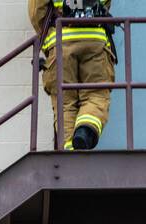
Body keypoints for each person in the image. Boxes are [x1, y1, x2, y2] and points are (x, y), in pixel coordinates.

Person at [28, 1, 116, 151]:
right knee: (96, 94)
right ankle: (84, 131)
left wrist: (48, 42)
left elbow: (37, 11)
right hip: (95, 40)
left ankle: (69, 150)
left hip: (61, 41)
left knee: (64, 102)